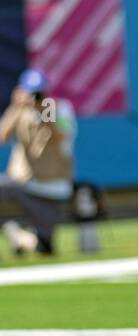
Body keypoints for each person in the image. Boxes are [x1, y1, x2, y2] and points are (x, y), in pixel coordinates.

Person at [0, 69, 76, 255]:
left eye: (39, 92)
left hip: (52, 187)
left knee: (46, 248)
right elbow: (2, 137)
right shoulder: (20, 111)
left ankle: (19, 237)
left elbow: (58, 136)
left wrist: (44, 108)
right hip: (25, 183)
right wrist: (15, 107)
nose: (35, 97)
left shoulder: (59, 108)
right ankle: (15, 232)